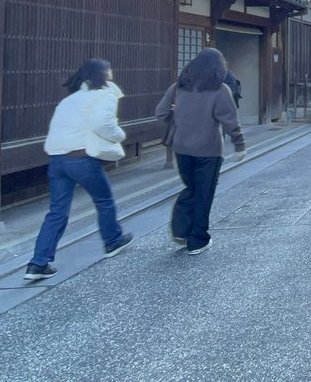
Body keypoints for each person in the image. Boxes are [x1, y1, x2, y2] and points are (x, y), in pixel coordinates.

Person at [25, 59, 133, 281]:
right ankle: (112, 241)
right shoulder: (105, 94)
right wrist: (120, 136)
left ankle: (38, 263)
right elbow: (102, 124)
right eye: (109, 70)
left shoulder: (69, 100)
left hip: (57, 158)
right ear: (103, 74)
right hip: (81, 158)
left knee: (57, 211)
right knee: (103, 200)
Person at [156, 48, 245, 255]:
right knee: (204, 192)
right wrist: (239, 145)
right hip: (209, 149)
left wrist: (179, 119)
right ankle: (198, 240)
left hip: (182, 147)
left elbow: (160, 112)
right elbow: (229, 120)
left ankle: (180, 230)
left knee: (191, 187)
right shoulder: (220, 89)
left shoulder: (179, 87)